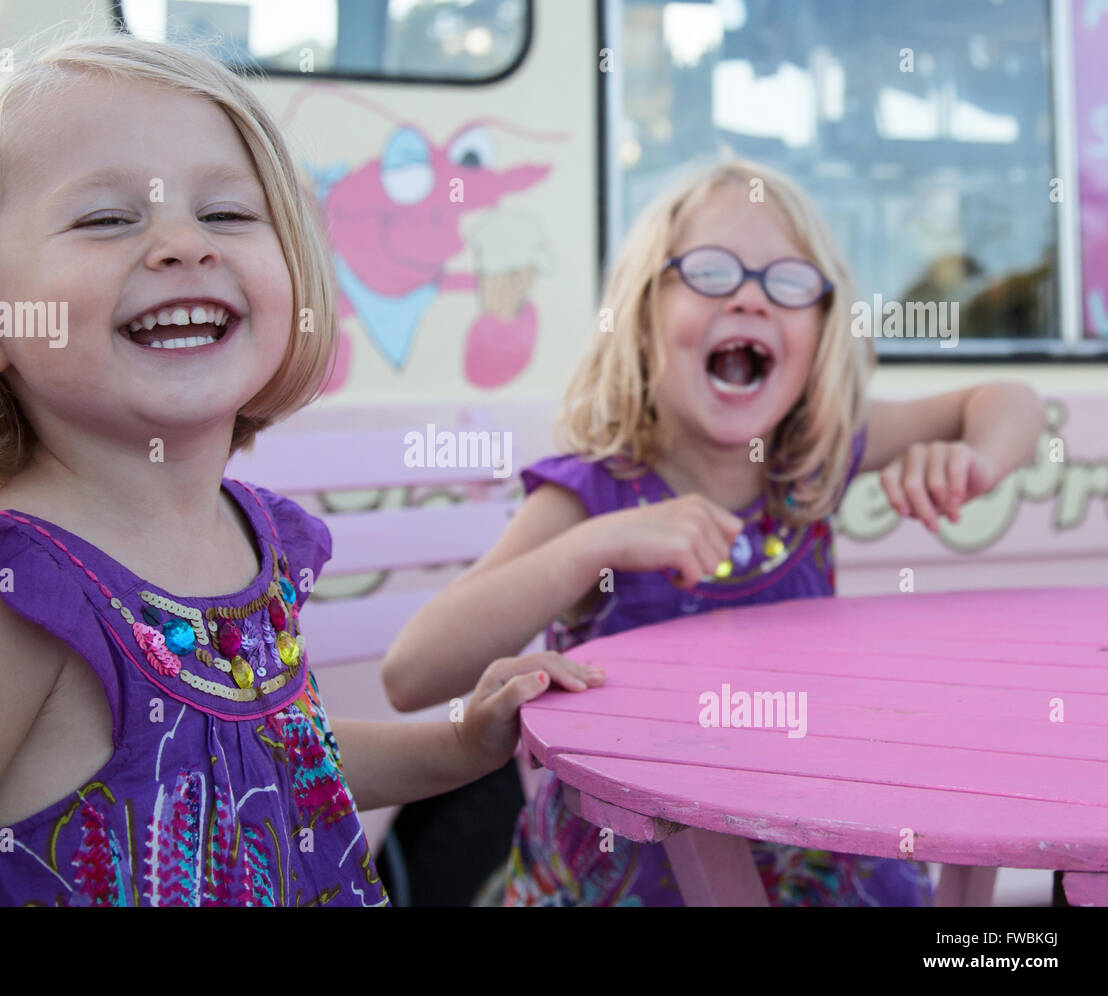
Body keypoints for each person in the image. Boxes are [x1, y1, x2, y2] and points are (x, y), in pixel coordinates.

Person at [0, 34, 599, 907]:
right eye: (107, 219)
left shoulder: (250, 534)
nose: (182, 244)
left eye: (226, 214)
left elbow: (278, 759)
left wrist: (459, 745)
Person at [382, 159, 1045, 906]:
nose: (751, 298)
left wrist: (974, 458)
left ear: (822, 332)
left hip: (812, 854)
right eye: (710, 271)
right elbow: (411, 673)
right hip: (629, 873)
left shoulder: (811, 458)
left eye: (788, 282)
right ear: (642, 315)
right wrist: (595, 546)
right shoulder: (593, 492)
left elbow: (1010, 397)